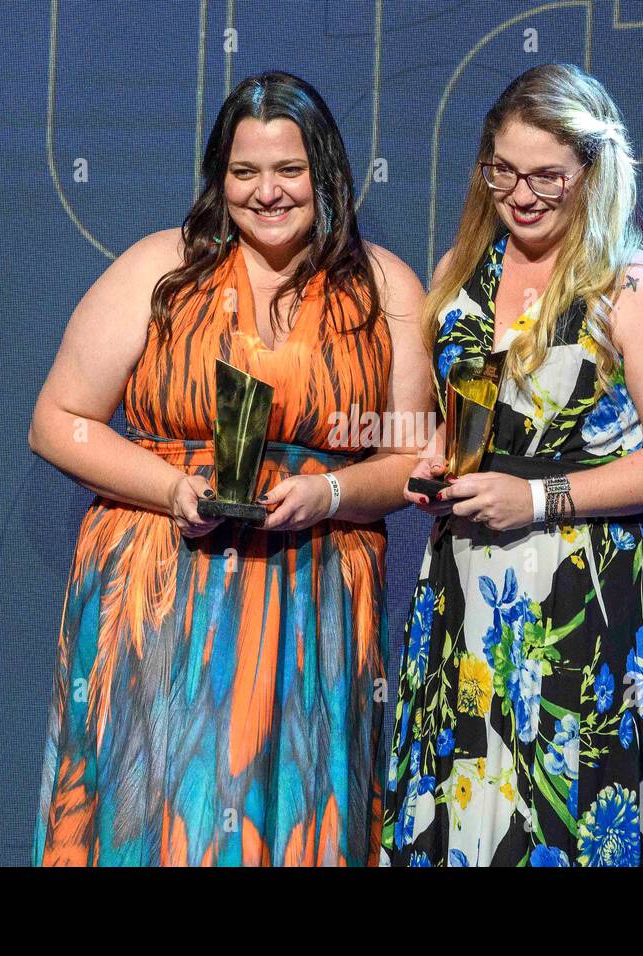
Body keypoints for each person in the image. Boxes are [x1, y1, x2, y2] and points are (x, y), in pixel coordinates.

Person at [29, 71, 429, 866]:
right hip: (161, 591)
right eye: (245, 172)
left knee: (293, 823)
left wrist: (331, 492)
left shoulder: (384, 286)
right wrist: (172, 489)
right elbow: (57, 421)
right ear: (220, 178)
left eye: (289, 170)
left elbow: (417, 455)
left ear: (327, 173)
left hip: (313, 596)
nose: (266, 192)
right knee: (156, 816)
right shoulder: (159, 268)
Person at [380, 63, 643, 867]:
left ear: (593, 174)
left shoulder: (633, 288)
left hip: (590, 597)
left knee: (568, 819)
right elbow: (448, 422)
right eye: (503, 171)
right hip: (467, 592)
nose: (521, 194)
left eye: (546, 177)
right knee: (469, 814)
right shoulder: (460, 278)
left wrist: (540, 499)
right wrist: (436, 458)